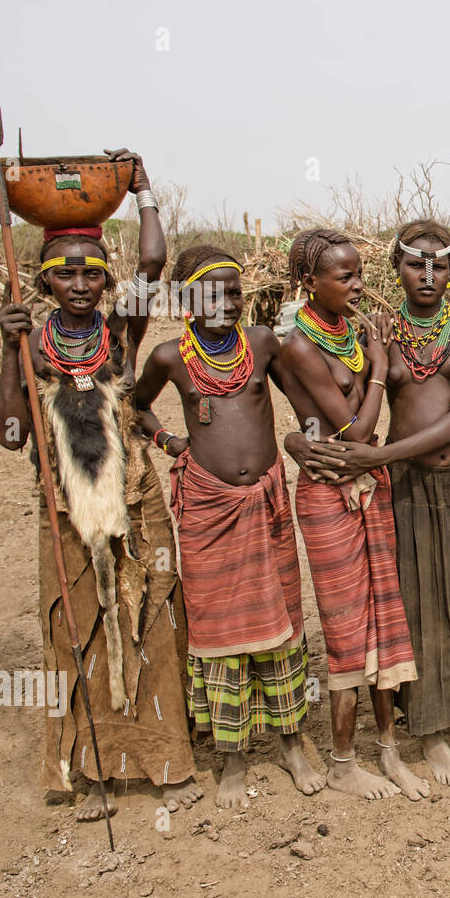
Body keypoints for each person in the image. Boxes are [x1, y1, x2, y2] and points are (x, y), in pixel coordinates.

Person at [0, 150, 201, 821]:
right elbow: (11, 434)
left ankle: (168, 762)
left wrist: (143, 190)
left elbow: (153, 263)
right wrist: (9, 353)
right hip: (66, 508)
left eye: (91, 273)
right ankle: (93, 768)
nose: (79, 284)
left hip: (135, 500)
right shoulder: (30, 343)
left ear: (105, 279)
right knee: (77, 630)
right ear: (45, 281)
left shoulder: (119, 333)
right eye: (65, 273)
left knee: (154, 620)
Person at [291, 220, 450, 786]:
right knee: (419, 606)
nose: (427, 275)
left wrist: (379, 455)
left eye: (439, 265)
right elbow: (335, 405)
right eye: (415, 264)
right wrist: (298, 439)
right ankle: (431, 732)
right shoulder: (376, 334)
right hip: (406, 489)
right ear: (396, 270)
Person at [135, 246, 326, 808]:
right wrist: (169, 441)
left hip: (267, 503)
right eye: (210, 293)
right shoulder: (169, 357)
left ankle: (290, 745)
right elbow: (137, 405)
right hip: (207, 510)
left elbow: (302, 403)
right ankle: (233, 758)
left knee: (281, 621)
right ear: (186, 299)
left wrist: (312, 442)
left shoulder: (262, 343)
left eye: (234, 292)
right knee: (217, 631)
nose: (225, 303)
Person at [277, 229, 426, 800]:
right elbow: (357, 432)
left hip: (369, 485)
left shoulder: (350, 333)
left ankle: (388, 750)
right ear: (309, 282)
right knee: (345, 626)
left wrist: (376, 354)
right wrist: (380, 365)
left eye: (360, 273)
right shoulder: (298, 345)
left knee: (384, 615)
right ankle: (342, 761)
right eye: (346, 277)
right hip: (327, 493)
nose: (359, 285)